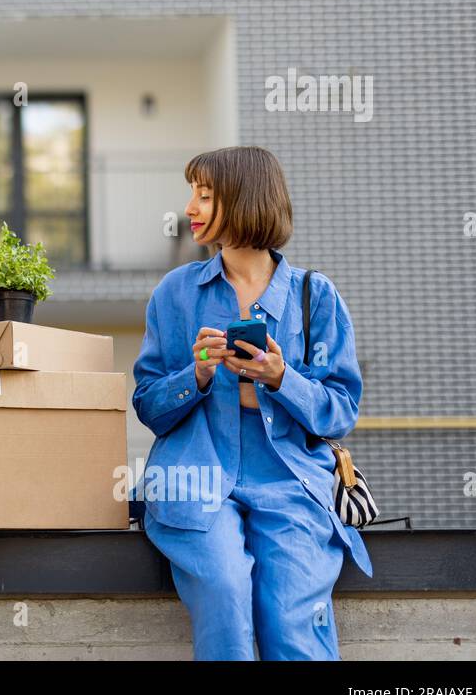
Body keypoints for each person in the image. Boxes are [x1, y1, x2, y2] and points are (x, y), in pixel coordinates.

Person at [132, 145, 372, 660]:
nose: (190, 209)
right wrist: (195, 375)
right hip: (195, 476)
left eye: (204, 196)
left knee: (292, 620)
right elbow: (148, 405)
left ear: (244, 200)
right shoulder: (174, 294)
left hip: (290, 481)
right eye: (191, 195)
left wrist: (281, 377)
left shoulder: (316, 296)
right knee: (224, 593)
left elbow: (341, 409)